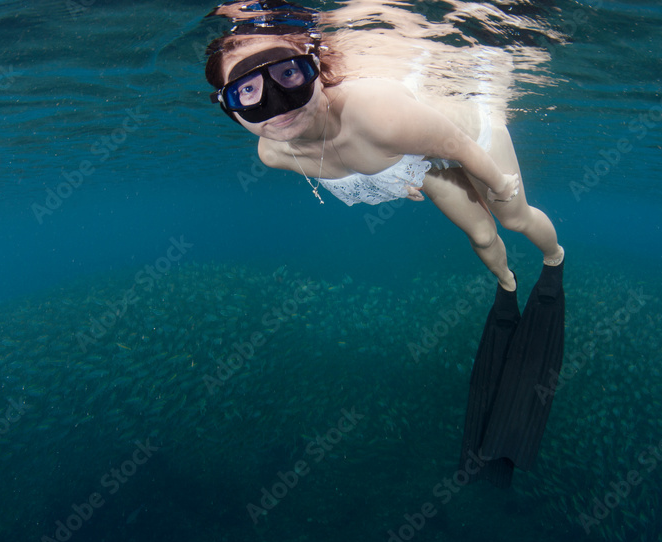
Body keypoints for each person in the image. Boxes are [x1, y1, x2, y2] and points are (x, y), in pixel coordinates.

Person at [205, 1, 565, 486]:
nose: (276, 104)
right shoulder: (274, 153)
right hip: (412, 159)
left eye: (288, 75)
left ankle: (554, 258)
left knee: (511, 218)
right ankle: (507, 284)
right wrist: (397, 180)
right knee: (482, 236)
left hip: (464, 135)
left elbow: (460, 149)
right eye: (247, 91)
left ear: (314, 68)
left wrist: (499, 186)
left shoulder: (377, 114)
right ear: (230, 107)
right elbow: (362, 165)